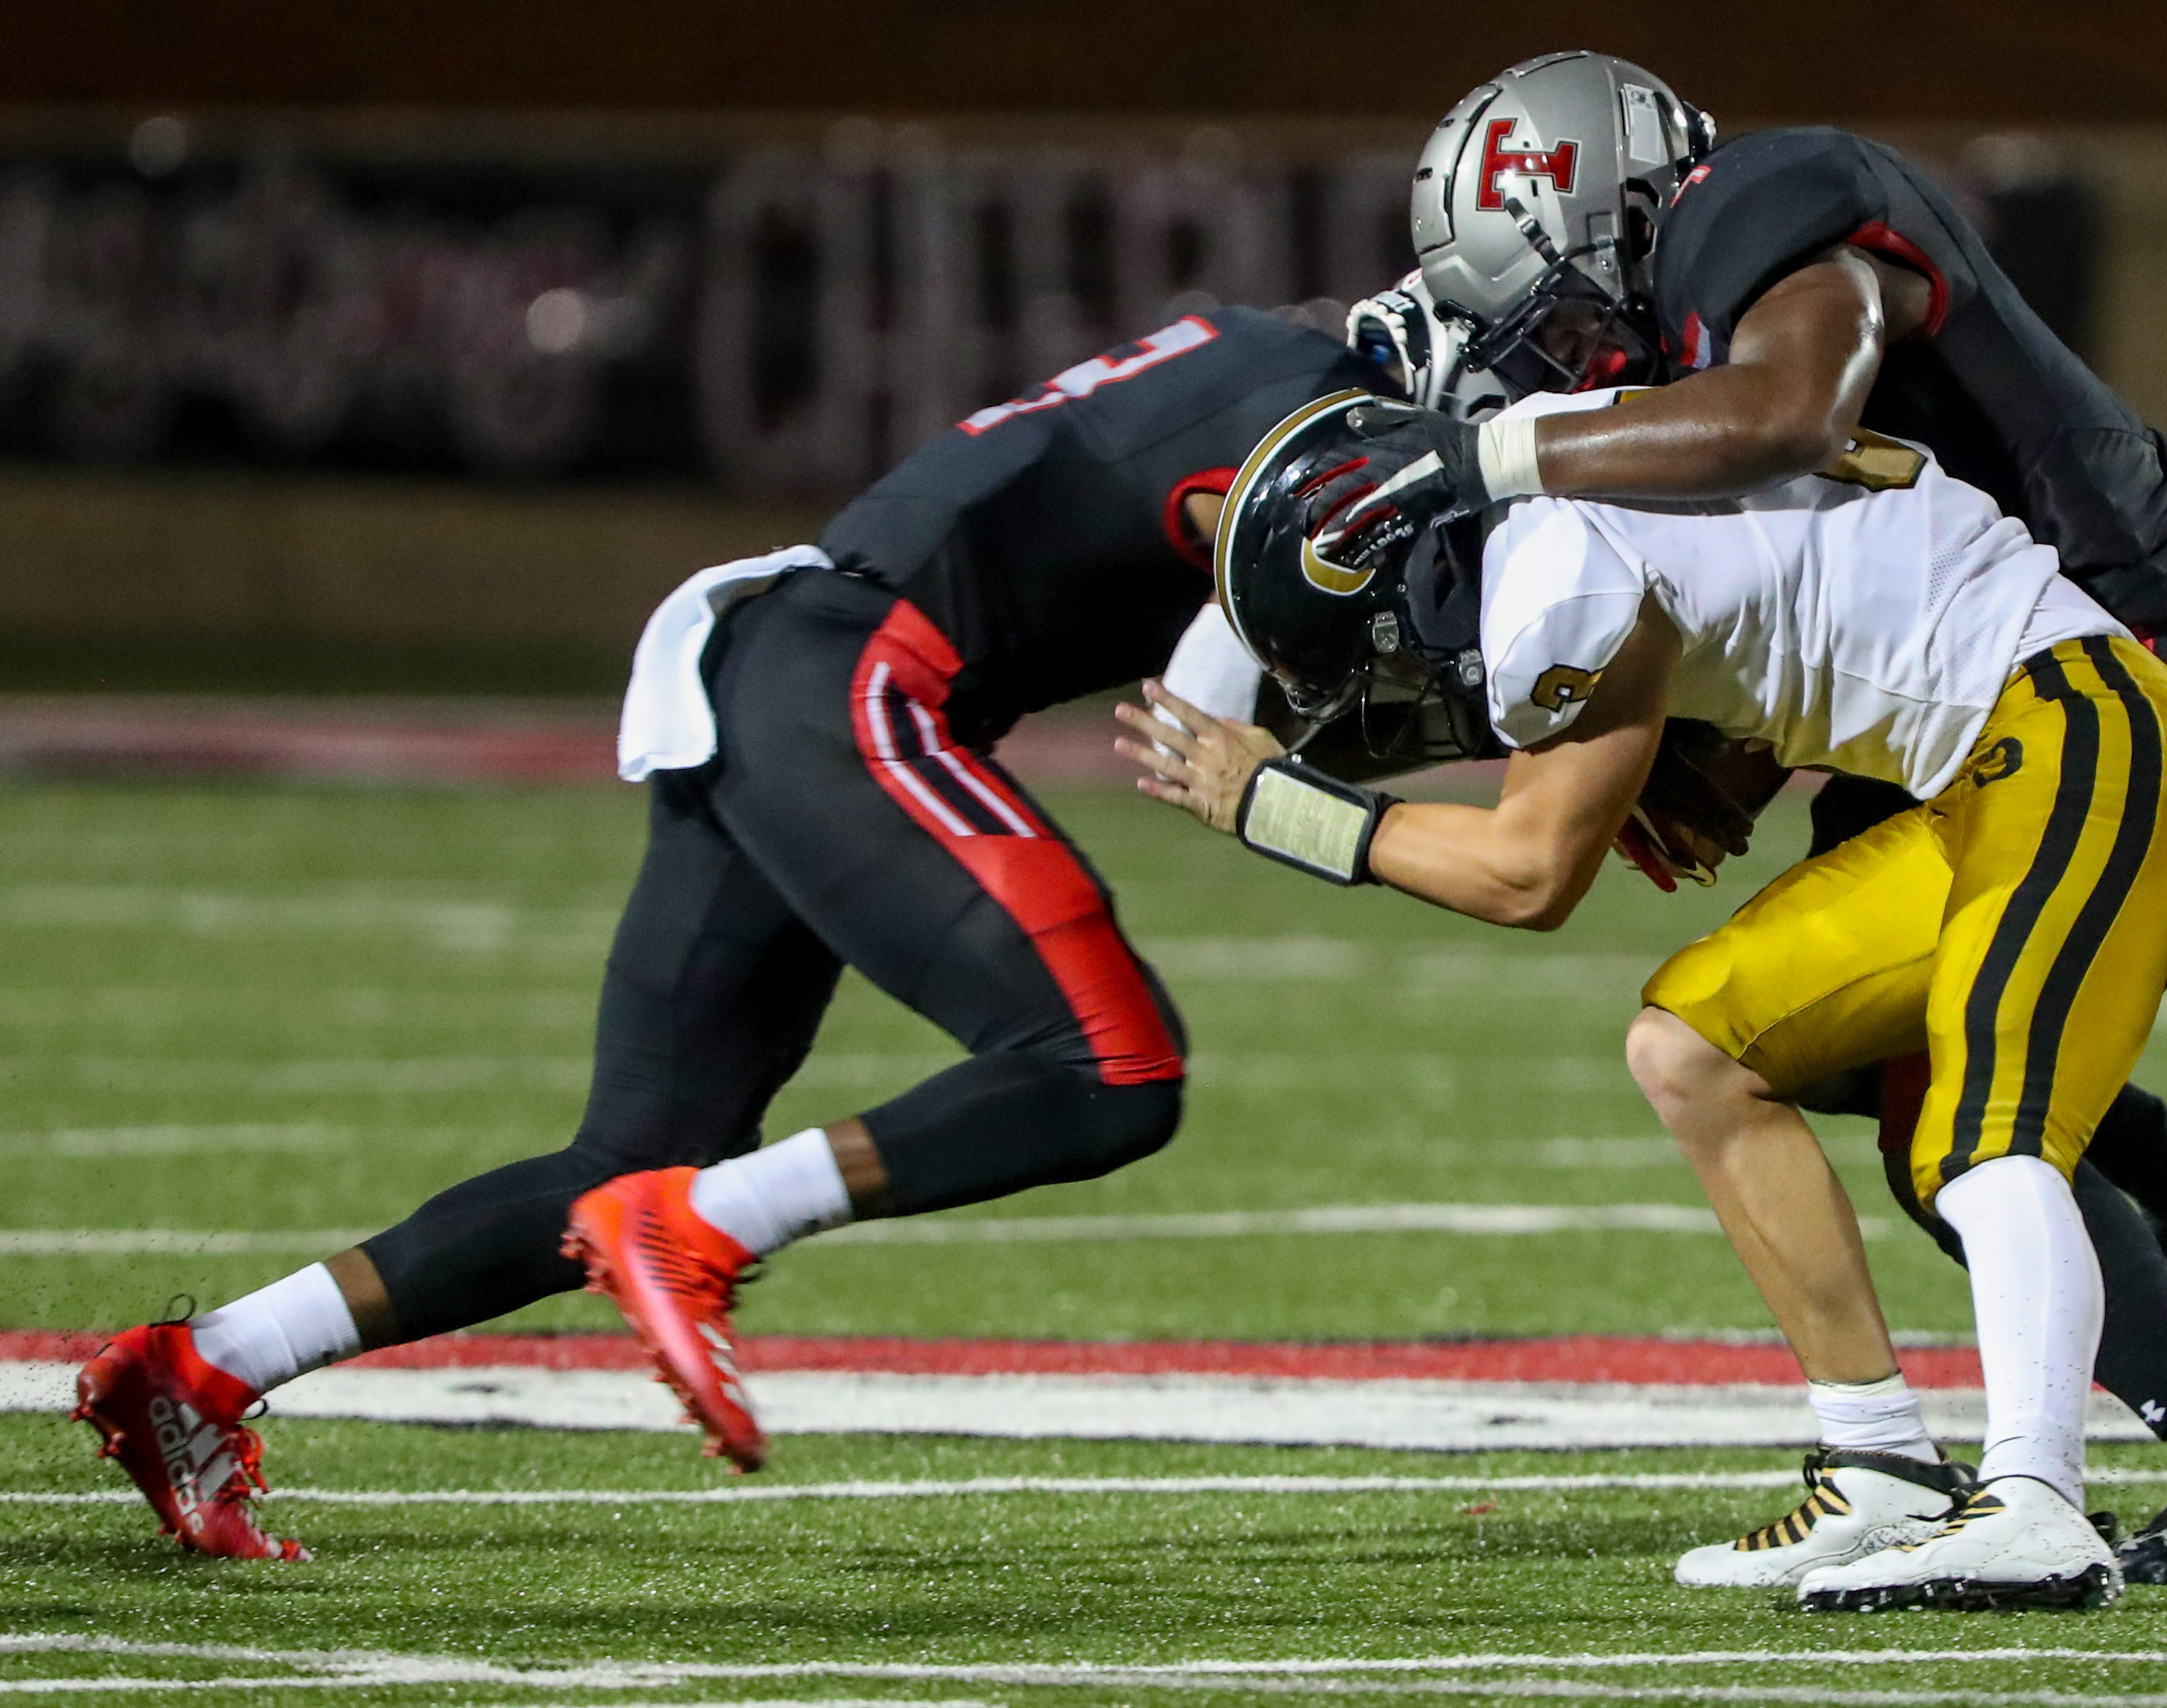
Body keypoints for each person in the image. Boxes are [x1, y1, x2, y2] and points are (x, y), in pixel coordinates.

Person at [70, 304, 1399, 1561]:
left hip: (771, 654)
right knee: (1108, 1068)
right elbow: (1211, 699)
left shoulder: (1258, 352)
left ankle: (203, 1367)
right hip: (864, 681)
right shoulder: (1339, 420)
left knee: (632, 1155)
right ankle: (706, 1225)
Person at [1310, 48, 2167, 1585]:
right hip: (1996, 696)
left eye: (1560, 314)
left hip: (2139, 661)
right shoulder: (1693, 330)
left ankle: (2089, 1470)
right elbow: (1804, 555)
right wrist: (1719, 750)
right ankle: (2151, 1262)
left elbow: (1792, 415)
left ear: (1617, 212)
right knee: (1861, 1075)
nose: (1567, 364)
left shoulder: (1764, 198)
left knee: (1975, 1120)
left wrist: (1480, 454)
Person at [1123, 385, 2167, 1610]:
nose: (1402, 665)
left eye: (1377, 637)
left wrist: (1270, 802)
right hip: (1990, 765)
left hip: (2091, 739)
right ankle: (1882, 1463)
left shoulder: (1560, 564)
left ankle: (2036, 1504)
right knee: (1694, 1045)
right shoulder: (1575, 466)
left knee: (1985, 1134)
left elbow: (1528, 874)